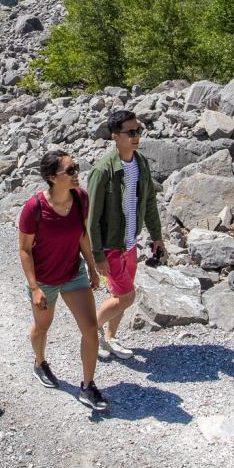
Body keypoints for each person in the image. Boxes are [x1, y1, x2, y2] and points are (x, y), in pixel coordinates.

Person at [18, 149, 110, 412]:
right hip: (44, 280)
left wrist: (91, 268)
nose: (76, 174)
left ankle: (88, 386)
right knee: (43, 326)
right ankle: (39, 362)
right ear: (51, 177)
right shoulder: (33, 208)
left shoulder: (80, 198)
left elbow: (82, 234)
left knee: (90, 328)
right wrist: (34, 287)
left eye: (76, 168)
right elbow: (24, 249)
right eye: (69, 171)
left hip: (73, 274)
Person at [86, 109, 164, 360]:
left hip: (131, 242)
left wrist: (157, 236)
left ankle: (109, 338)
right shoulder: (102, 171)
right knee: (126, 296)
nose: (136, 136)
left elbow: (149, 201)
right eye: (130, 132)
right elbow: (93, 218)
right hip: (111, 245)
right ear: (114, 136)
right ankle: (90, 331)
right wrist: (97, 255)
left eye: (138, 131)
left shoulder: (140, 163)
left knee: (119, 293)